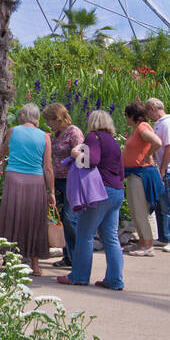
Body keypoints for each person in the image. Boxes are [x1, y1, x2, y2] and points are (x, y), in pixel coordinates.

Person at [58, 109, 125, 290]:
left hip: (100, 192)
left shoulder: (94, 137)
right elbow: (121, 170)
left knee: (84, 234)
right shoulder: (113, 141)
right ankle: (115, 280)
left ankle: (79, 276)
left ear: (93, 122)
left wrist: (74, 154)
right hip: (117, 191)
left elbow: (92, 160)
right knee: (111, 237)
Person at [0, 103, 54, 277]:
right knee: (35, 221)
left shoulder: (13, 131)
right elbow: (48, 167)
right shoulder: (45, 137)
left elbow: (3, 151)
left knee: (12, 217)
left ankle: (12, 260)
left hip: (14, 180)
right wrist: (51, 192)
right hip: (35, 181)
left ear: (21, 116)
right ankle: (35, 266)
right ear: (36, 117)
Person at [120, 102, 164, 257]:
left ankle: (148, 245)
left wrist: (147, 155)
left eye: (127, 115)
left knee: (140, 211)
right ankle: (142, 242)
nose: (126, 119)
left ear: (132, 115)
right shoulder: (138, 128)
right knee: (135, 210)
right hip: (134, 173)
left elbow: (157, 142)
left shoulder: (142, 128)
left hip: (141, 174)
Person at [43, 103, 84, 269]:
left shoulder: (74, 132)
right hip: (57, 180)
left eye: (49, 120)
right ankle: (67, 255)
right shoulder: (57, 133)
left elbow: (81, 155)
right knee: (59, 219)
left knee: (69, 218)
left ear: (57, 119)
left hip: (70, 180)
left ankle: (77, 256)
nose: (47, 123)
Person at [145, 97, 170, 252]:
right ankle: (164, 236)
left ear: (153, 108)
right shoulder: (159, 123)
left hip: (167, 170)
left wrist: (162, 169)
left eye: (148, 112)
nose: (148, 116)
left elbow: (169, 149)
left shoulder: (167, 124)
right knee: (161, 205)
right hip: (160, 169)